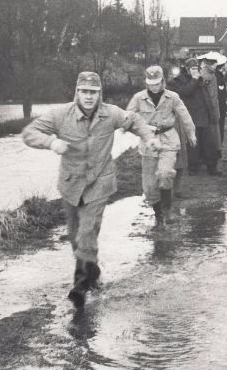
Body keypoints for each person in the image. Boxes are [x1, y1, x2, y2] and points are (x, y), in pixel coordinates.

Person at [22, 71, 161, 309]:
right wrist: (51, 142)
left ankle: (80, 285)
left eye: (93, 93)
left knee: (88, 230)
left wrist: (148, 137)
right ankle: (92, 270)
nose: (88, 97)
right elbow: (29, 133)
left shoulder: (111, 113)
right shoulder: (60, 115)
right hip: (71, 184)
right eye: (84, 92)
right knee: (75, 236)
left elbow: (135, 121)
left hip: (100, 181)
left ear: (100, 94)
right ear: (77, 93)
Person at [126, 65, 197, 228]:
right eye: (151, 83)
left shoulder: (172, 97)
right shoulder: (138, 98)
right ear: (146, 83)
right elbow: (127, 117)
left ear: (163, 82)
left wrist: (191, 134)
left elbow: (184, 115)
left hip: (168, 140)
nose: (154, 87)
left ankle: (167, 210)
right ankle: (158, 215)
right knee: (150, 187)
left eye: (157, 83)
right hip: (148, 142)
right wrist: (135, 129)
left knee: (165, 174)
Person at [170, 58, 222, 176]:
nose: (195, 71)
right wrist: (194, 80)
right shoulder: (178, 81)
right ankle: (193, 168)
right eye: (192, 69)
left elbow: (206, 96)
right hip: (190, 117)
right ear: (187, 69)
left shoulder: (200, 79)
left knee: (209, 143)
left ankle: (212, 167)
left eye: (196, 68)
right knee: (192, 145)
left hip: (204, 116)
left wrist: (211, 113)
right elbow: (185, 92)